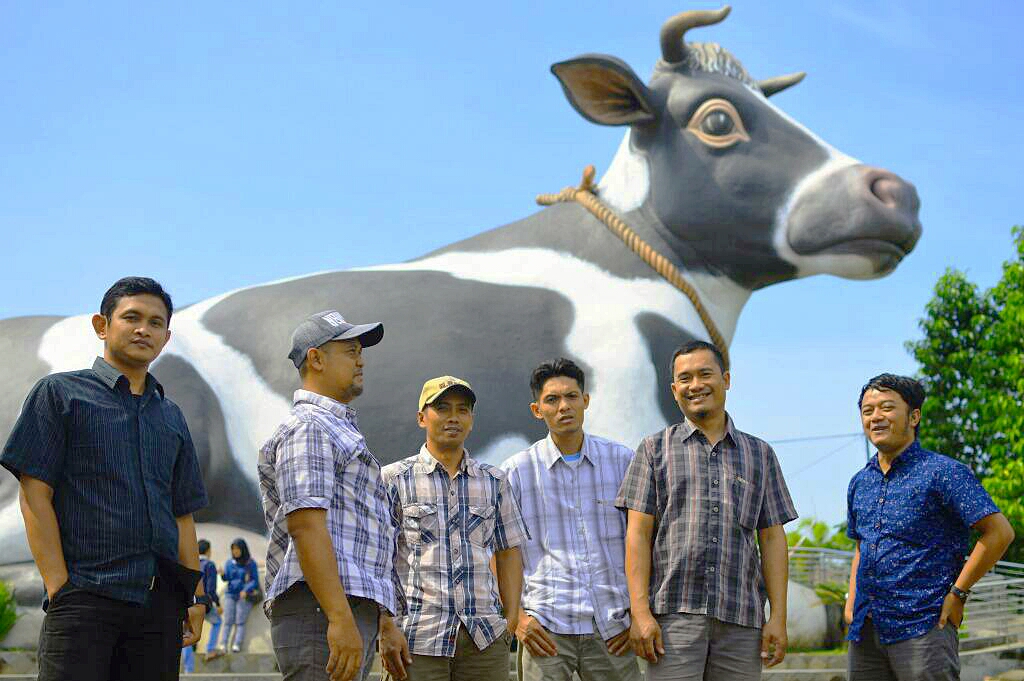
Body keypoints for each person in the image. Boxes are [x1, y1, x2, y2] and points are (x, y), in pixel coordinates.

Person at [0, 276, 210, 681]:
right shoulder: (60, 394)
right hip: (84, 599)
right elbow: (34, 495)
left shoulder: (171, 416)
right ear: (102, 326)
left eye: (155, 323)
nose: (143, 329)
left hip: (158, 609)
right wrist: (59, 587)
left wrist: (196, 597)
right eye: (131, 317)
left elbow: (182, 514)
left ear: (166, 338)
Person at [616, 340, 797, 681]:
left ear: (726, 379)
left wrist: (778, 617)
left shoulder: (760, 454)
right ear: (674, 390)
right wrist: (639, 612)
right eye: (685, 378)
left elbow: (773, 539)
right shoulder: (654, 449)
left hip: (741, 619)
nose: (695, 385)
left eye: (705, 374)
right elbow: (637, 535)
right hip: (673, 618)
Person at [259, 310, 403, 681]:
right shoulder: (309, 427)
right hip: (321, 612)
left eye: (360, 352)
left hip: (339, 609)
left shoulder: (335, 428)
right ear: (316, 359)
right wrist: (339, 617)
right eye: (351, 351)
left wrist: (382, 620)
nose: (361, 360)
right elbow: (306, 527)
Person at [845, 373, 1015, 681]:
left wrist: (959, 593)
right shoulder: (860, 482)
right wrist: (851, 601)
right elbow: (862, 545)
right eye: (868, 411)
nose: (876, 417)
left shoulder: (944, 473)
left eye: (887, 408)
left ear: (914, 417)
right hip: (865, 630)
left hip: (924, 625)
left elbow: (1000, 532)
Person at [379, 376, 528, 681]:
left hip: (484, 639)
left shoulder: (494, 481)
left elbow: (509, 550)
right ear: (422, 418)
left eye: (462, 409)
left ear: (471, 420)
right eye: (443, 408)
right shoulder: (393, 479)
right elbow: (377, 559)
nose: (453, 417)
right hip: (416, 639)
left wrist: (510, 620)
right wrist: (385, 624)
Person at [501, 358, 641, 681]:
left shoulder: (622, 461)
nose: (563, 406)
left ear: (586, 401)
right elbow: (501, 550)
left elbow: (644, 539)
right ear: (537, 410)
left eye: (571, 396)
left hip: (613, 626)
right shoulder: (516, 472)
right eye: (552, 399)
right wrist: (517, 618)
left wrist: (639, 612)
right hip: (546, 628)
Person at [182, 539, 223, 670]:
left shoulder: (189, 564)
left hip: (189, 604)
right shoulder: (209, 565)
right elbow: (211, 589)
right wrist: (218, 603)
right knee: (217, 622)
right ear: (208, 551)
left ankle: (188, 669)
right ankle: (210, 649)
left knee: (188, 632)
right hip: (204, 604)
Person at [215, 538, 259, 654]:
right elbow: (228, 578)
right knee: (228, 620)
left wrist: (246, 590)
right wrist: (223, 574)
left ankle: (237, 644)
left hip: (242, 596)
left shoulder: (250, 563)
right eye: (233, 549)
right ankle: (223, 644)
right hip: (230, 594)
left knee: (240, 621)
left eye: (237, 549)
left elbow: (255, 581)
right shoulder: (229, 563)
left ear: (243, 549)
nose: (235, 551)